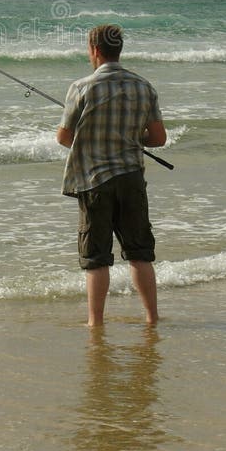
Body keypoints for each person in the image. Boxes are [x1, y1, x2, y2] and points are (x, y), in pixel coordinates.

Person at [57, 24, 167, 327]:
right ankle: (152, 317)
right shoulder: (144, 86)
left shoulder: (81, 88)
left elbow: (64, 138)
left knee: (96, 257)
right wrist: (131, 138)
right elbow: (158, 138)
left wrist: (90, 139)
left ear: (94, 50)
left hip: (94, 180)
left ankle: (95, 322)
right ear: (119, 49)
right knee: (140, 252)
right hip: (131, 178)